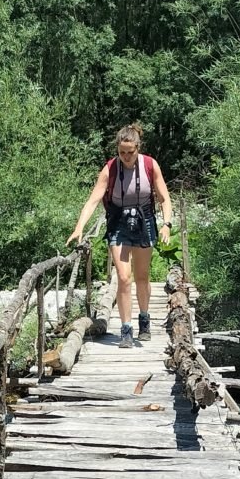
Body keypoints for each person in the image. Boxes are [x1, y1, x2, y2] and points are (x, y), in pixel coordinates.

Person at [67, 123, 174, 348]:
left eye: (130, 152)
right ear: (117, 149)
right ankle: (126, 329)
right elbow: (93, 200)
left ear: (138, 148)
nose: (126, 157)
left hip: (144, 220)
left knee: (142, 277)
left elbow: (165, 198)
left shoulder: (150, 165)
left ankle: (144, 318)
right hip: (118, 222)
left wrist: (167, 225)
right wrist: (79, 227)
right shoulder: (110, 169)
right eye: (122, 152)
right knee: (124, 278)